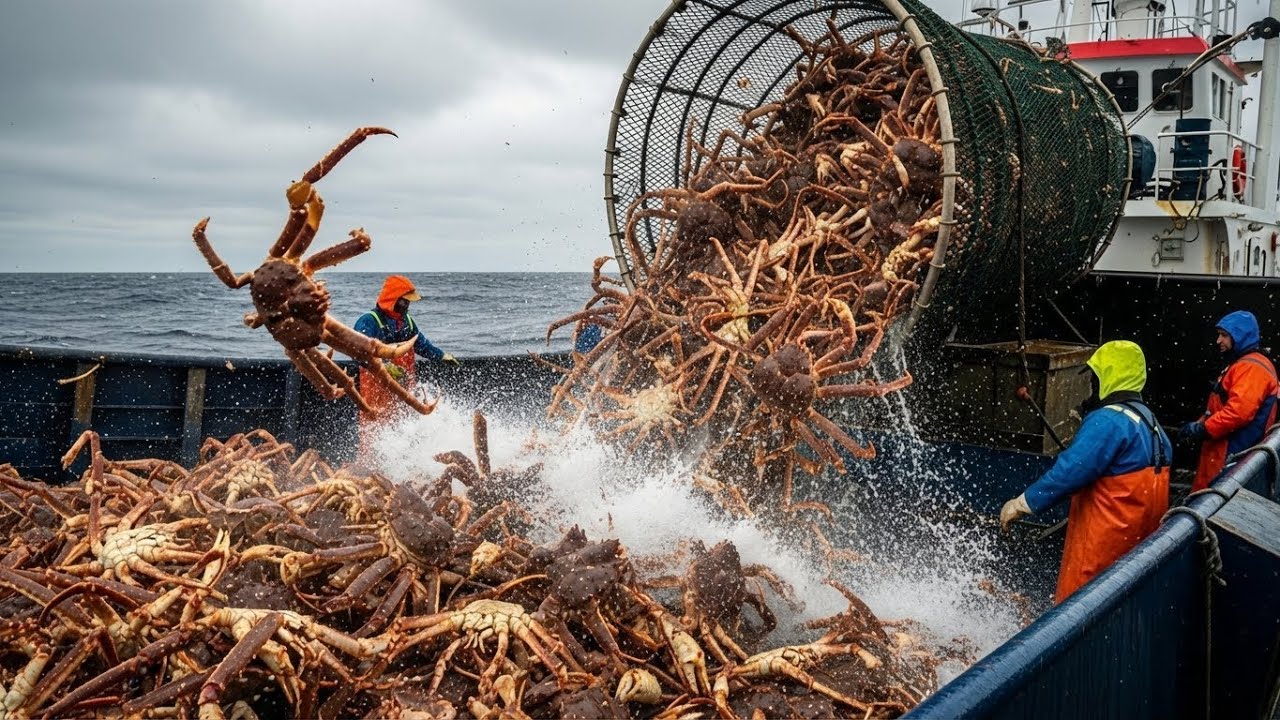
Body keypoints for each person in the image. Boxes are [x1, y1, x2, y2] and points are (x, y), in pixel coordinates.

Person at [1000, 340, 1172, 603]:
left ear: (1108, 377)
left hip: (1100, 552)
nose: (1091, 386)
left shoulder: (1108, 420)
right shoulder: (1150, 422)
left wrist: (1023, 503)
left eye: (1094, 378)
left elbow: (1071, 472)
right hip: (1134, 554)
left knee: (1077, 610)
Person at [353, 275, 458, 454]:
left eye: (409, 302)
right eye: (405, 301)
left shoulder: (408, 322)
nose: (408, 305)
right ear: (393, 299)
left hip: (403, 384)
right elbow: (357, 351)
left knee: (402, 422)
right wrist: (384, 366)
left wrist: (441, 356)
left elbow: (421, 345)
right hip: (375, 386)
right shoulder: (369, 321)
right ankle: (370, 463)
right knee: (374, 424)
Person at [1179, 310, 1278, 491]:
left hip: (1231, 454)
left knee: (1211, 504)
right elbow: (1221, 407)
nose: (1219, 341)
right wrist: (1199, 425)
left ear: (1240, 336)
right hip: (1224, 452)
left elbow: (1238, 413)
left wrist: (1202, 429)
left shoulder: (1251, 367)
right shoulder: (1245, 364)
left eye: (1224, 335)